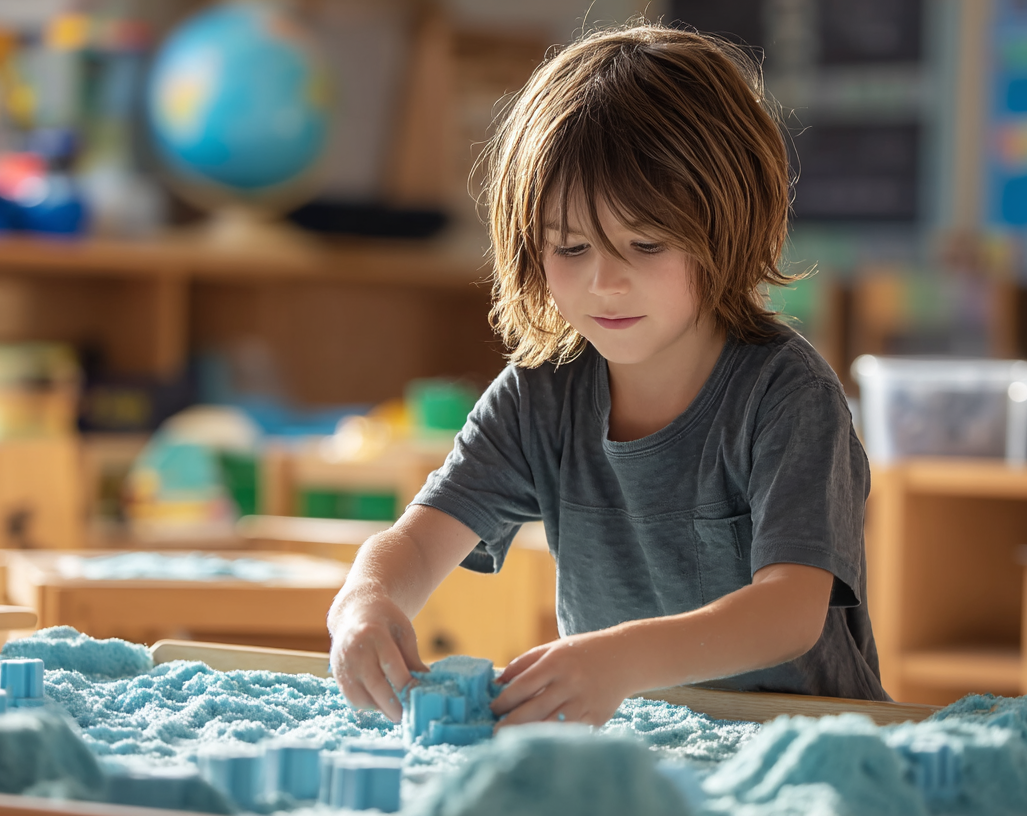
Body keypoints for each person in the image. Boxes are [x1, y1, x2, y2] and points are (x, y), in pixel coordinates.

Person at [327, 22, 890, 728]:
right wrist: (363, 602)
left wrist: (617, 661)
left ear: (730, 226)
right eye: (570, 247)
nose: (604, 283)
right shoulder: (540, 394)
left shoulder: (787, 395)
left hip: (810, 747)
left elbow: (789, 613)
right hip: (637, 747)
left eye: (645, 244)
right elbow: (414, 542)